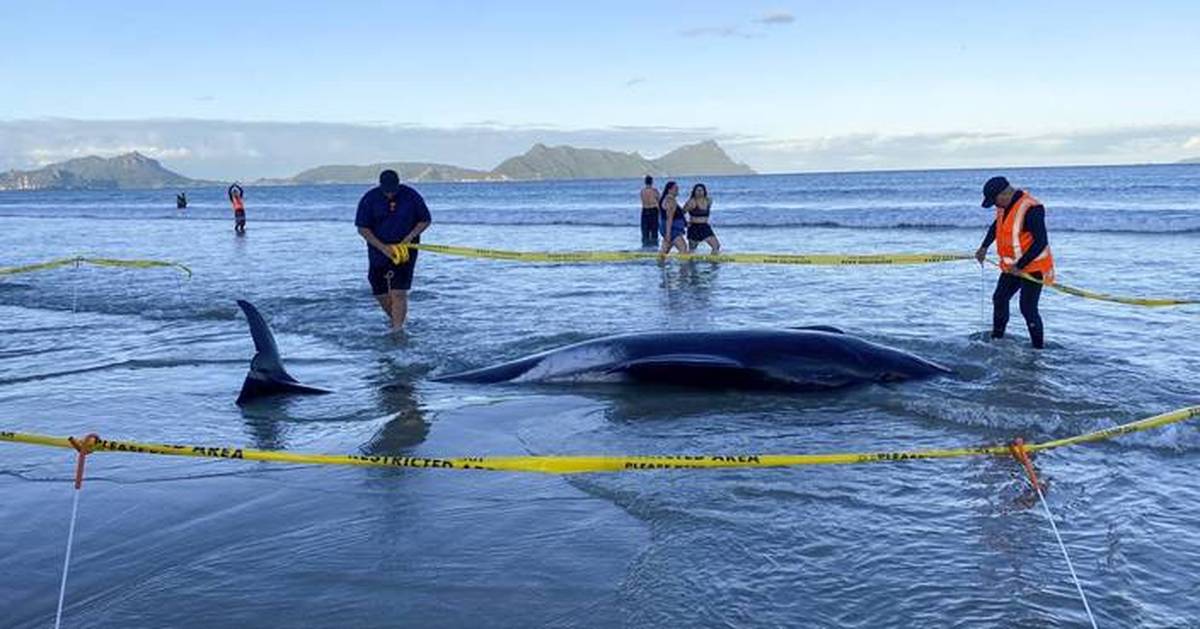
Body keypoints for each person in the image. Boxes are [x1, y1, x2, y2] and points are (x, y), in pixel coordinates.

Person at [974, 176, 1054, 349]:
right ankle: (997, 340)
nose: (995, 206)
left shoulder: (1032, 208)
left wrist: (1020, 265)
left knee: (1027, 308)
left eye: (994, 201)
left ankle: (1038, 350)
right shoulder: (1004, 206)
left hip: (1033, 267)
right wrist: (984, 247)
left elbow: (1041, 242)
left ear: (1004, 194)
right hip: (1013, 267)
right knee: (999, 298)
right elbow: (996, 226)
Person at [355, 169, 432, 331]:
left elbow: (425, 220)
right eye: (387, 191)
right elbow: (362, 228)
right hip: (378, 249)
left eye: (393, 191)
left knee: (399, 292)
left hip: (405, 249)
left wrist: (408, 239)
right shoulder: (370, 198)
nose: (390, 194)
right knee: (379, 292)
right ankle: (396, 318)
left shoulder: (411, 195)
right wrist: (383, 248)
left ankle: (398, 330)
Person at [683, 183, 720, 254]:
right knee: (692, 249)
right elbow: (682, 213)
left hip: (705, 226)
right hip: (694, 227)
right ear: (694, 191)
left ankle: (713, 262)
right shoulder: (691, 202)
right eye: (698, 190)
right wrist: (685, 223)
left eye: (701, 190)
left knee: (716, 246)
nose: (700, 192)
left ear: (704, 191)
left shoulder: (708, 201)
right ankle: (690, 263)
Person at [657, 181, 688, 258]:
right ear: (669, 190)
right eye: (675, 188)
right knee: (683, 248)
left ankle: (660, 267)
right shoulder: (670, 200)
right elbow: (669, 218)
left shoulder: (665, 198)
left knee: (664, 251)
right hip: (672, 229)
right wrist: (668, 234)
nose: (677, 190)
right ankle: (683, 269)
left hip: (669, 228)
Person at [640, 175, 660, 247]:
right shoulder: (654, 191)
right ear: (652, 182)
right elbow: (659, 201)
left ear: (645, 182)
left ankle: (645, 246)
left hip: (645, 210)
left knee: (645, 232)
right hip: (653, 210)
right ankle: (654, 246)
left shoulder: (642, 191)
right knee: (654, 231)